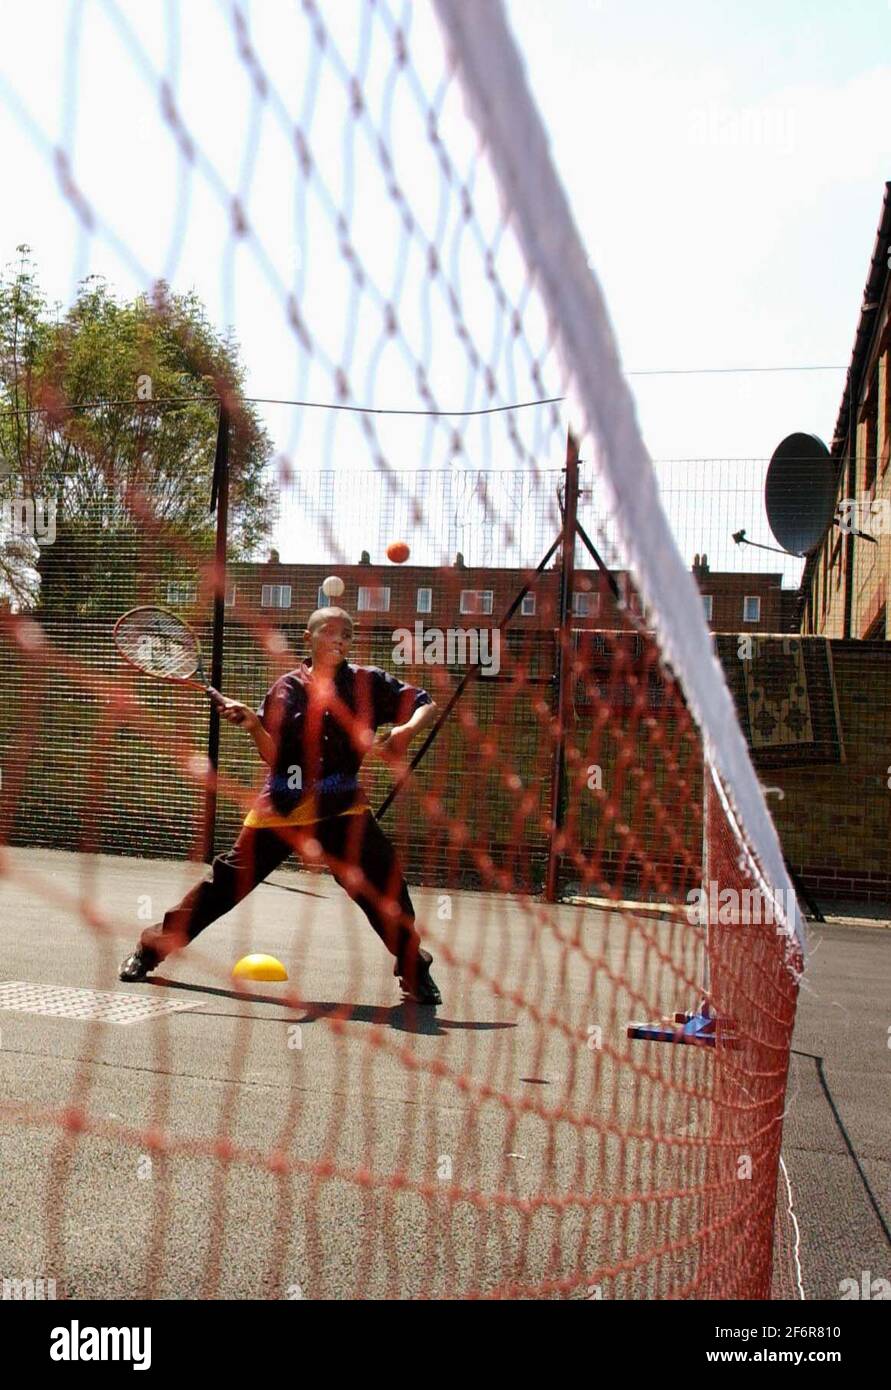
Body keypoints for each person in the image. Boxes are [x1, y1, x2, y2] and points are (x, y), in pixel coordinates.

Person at [119, 607, 442, 1005]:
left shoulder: (368, 683)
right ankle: (149, 951)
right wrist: (255, 726)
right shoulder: (285, 690)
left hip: (342, 808)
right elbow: (274, 757)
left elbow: (426, 703)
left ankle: (413, 969)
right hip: (282, 809)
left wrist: (407, 729)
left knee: (384, 885)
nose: (340, 639)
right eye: (330, 631)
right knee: (224, 886)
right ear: (308, 639)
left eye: (347, 633)